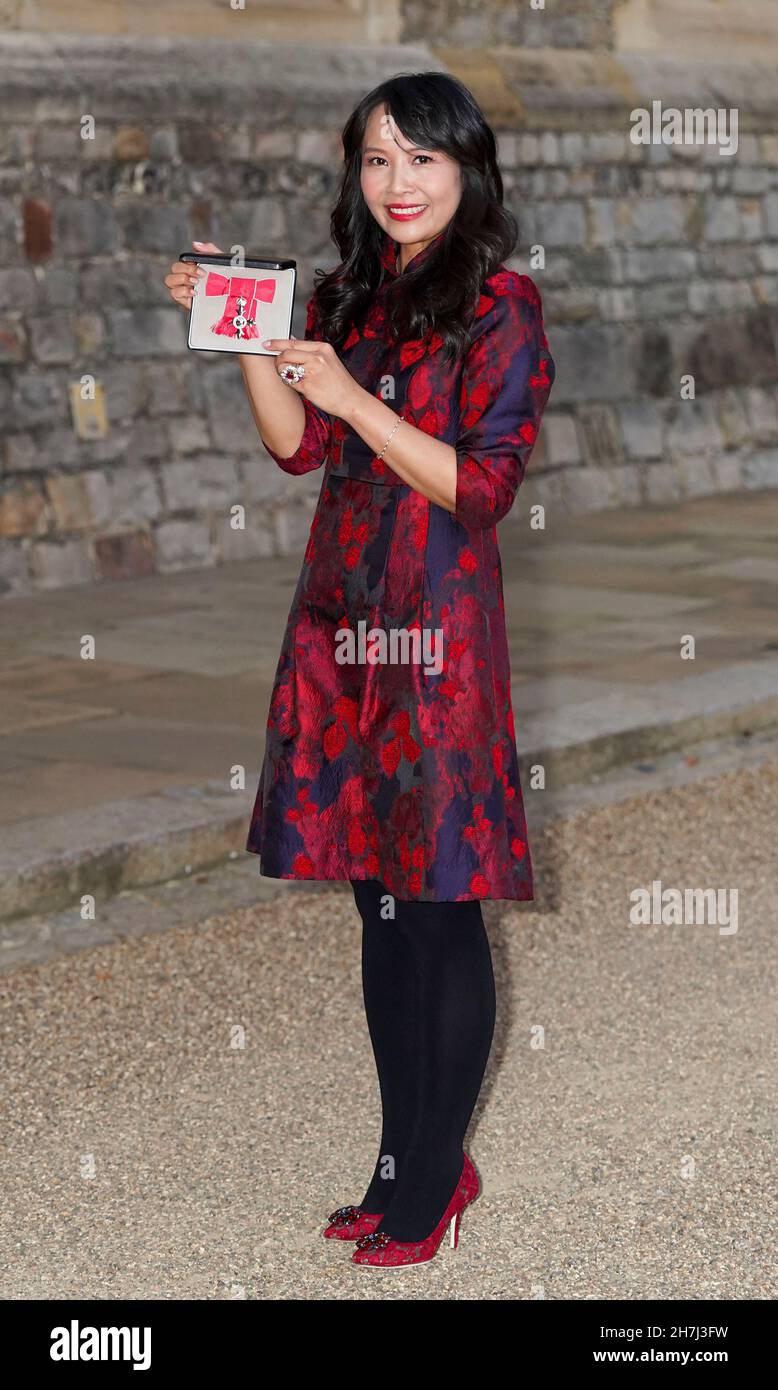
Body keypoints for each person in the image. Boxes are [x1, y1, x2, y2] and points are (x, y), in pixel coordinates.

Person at [164, 70, 555, 1270]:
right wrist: (250, 338)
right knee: (379, 908)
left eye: (421, 160)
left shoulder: (501, 304)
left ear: (465, 170)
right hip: (341, 626)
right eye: (376, 160)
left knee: (438, 906)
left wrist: (346, 391)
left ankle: (435, 1181)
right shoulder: (345, 298)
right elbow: (298, 450)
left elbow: (479, 487)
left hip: (436, 638)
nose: (397, 184)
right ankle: (402, 1163)